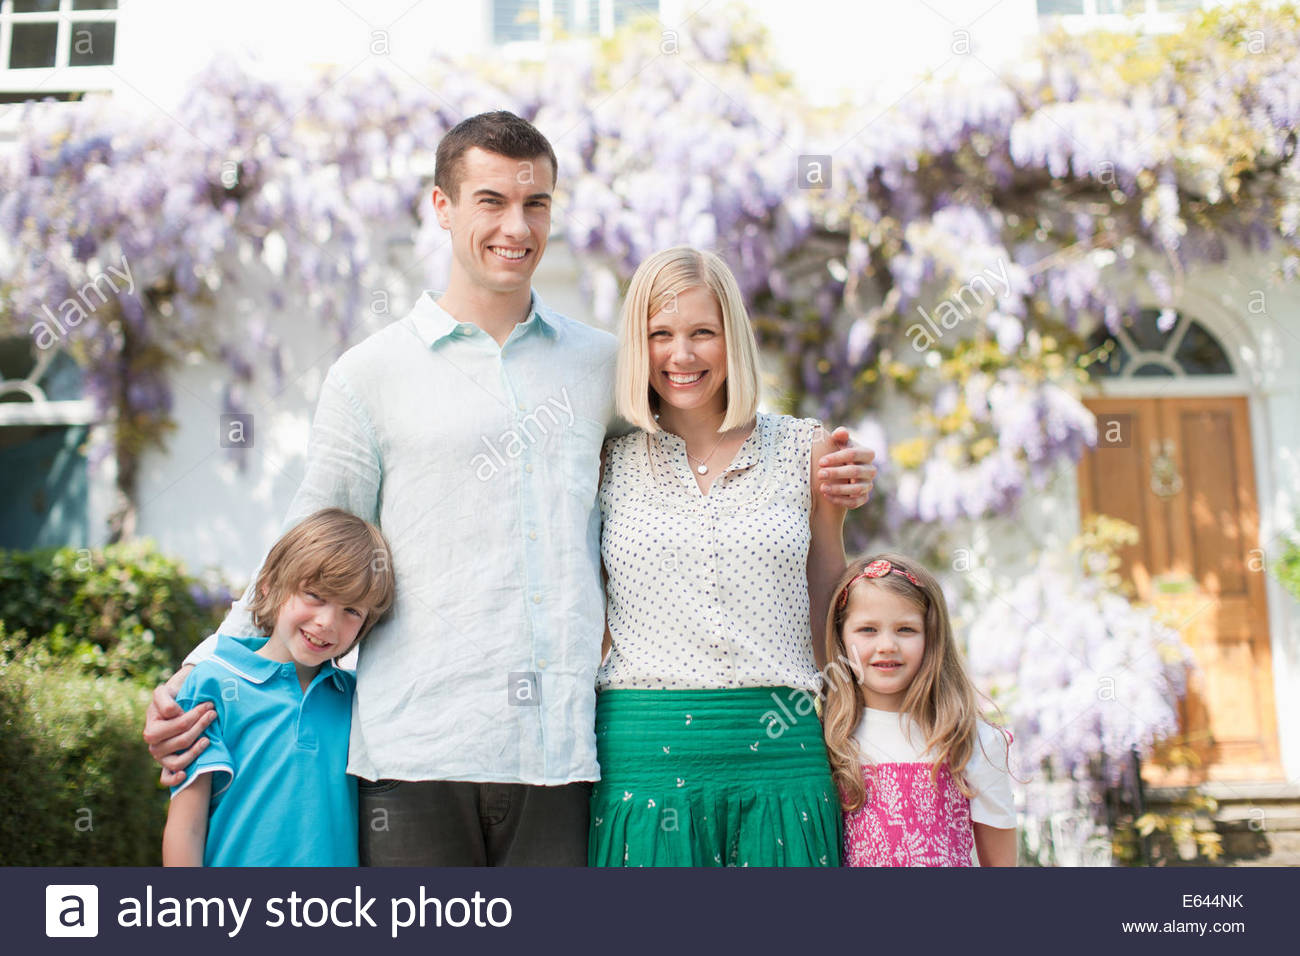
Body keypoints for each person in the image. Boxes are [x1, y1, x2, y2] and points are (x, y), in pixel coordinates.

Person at [143, 111, 878, 866]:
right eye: (490, 201)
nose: (515, 226)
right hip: (414, 753)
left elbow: (710, 424)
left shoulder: (603, 369)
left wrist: (818, 463)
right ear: (442, 207)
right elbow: (305, 544)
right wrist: (203, 670)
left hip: (560, 757)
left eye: (535, 204)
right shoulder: (370, 375)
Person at [589, 247, 847, 867]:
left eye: (703, 332)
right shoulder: (605, 461)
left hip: (784, 748)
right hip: (644, 758)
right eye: (661, 335)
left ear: (733, 338)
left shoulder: (804, 448)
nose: (682, 355)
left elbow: (828, 598)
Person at [161, 508, 394, 866]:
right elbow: (186, 829)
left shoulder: (357, 699)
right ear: (269, 585)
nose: (327, 622)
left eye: (352, 611)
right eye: (315, 595)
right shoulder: (211, 684)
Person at [821, 554, 1017, 867]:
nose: (887, 645)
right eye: (868, 630)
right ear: (841, 637)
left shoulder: (972, 741)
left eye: (906, 630)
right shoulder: (827, 740)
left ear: (932, 637)